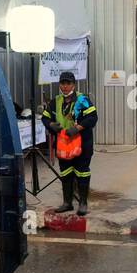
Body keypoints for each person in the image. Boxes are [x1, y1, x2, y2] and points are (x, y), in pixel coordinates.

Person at [41, 70, 97, 216]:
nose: (65, 86)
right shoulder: (55, 101)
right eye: (62, 83)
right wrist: (51, 125)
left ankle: (83, 203)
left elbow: (93, 117)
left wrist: (78, 128)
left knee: (82, 173)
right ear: (59, 85)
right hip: (64, 145)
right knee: (66, 173)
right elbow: (45, 118)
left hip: (81, 144)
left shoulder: (82, 100)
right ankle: (67, 203)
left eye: (68, 83)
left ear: (73, 84)